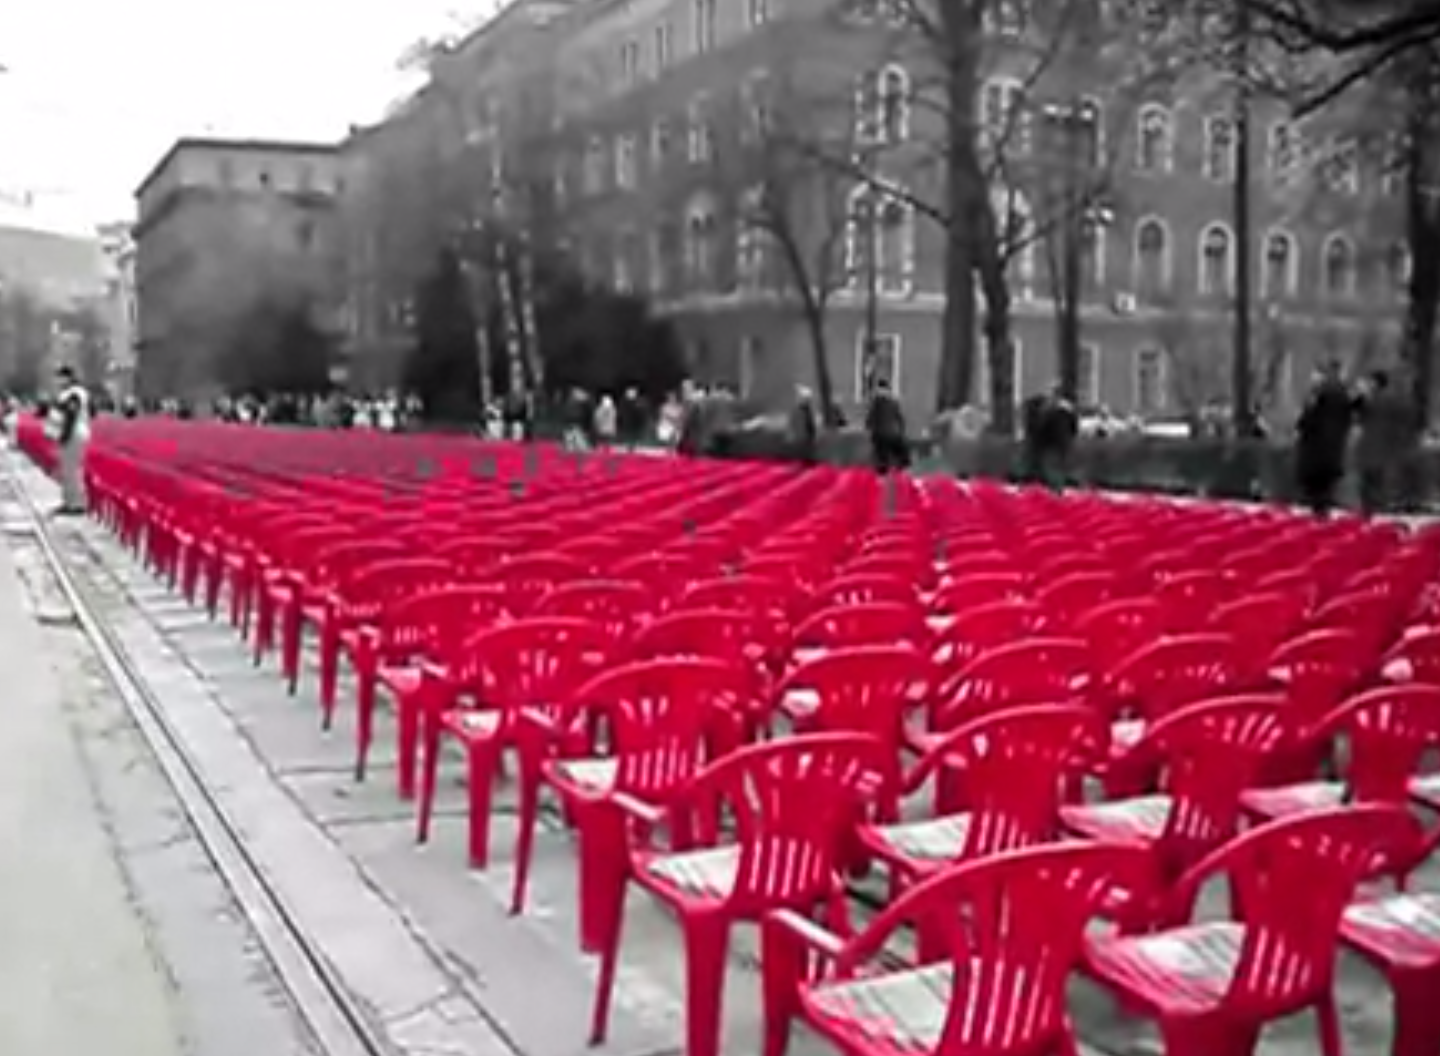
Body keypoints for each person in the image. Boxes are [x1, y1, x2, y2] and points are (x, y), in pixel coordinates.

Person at [1294, 360, 1355, 516]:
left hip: (1316, 453)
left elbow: (1305, 423)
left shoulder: (1319, 395)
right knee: (1324, 494)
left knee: (1317, 496)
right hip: (1333, 452)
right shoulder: (1344, 396)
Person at [1353, 368, 1414, 515]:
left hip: (1371, 447)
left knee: (1369, 483)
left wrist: (1361, 394)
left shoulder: (1372, 399)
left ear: (1375, 383)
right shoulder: (1392, 399)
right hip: (1382, 447)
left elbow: (1356, 409)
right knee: (1376, 481)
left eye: (1369, 382)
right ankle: (1377, 509)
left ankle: (1370, 510)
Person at [47, 366, 91, 515]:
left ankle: (77, 504)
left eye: (61, 377)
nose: (58, 380)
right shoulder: (66, 393)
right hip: (69, 433)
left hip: (74, 433)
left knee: (72, 469)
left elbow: (71, 415)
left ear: (68, 377)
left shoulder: (75, 394)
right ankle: (68, 501)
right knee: (67, 469)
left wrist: (63, 436)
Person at [866, 377, 909, 473]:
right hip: (894, 435)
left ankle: (883, 467)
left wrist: (869, 430)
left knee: (882, 455)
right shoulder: (893, 403)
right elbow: (901, 420)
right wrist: (901, 432)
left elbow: (869, 421)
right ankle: (901, 465)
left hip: (881, 436)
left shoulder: (876, 404)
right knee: (901, 453)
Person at [790, 384, 819, 465]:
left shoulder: (806, 410)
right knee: (803, 448)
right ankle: (805, 461)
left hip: (805, 435)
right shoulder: (801, 410)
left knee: (806, 448)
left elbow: (810, 424)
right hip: (802, 435)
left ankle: (807, 461)